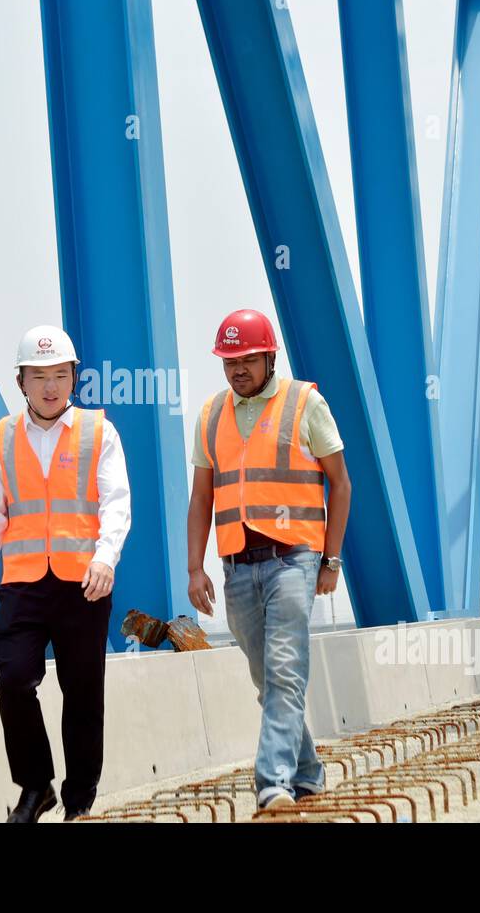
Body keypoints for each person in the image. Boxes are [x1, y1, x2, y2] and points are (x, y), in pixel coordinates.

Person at [186, 308, 351, 811]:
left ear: (269, 356)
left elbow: (340, 483)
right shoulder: (211, 415)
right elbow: (201, 498)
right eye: (229, 360)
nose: (238, 369)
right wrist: (196, 568)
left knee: (284, 671)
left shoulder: (305, 403)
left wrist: (331, 561)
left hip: (293, 561)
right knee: (267, 679)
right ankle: (308, 773)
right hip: (237, 565)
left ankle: (270, 783)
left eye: (247, 359)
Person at [0, 324, 131, 822]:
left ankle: (79, 799)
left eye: (60, 375)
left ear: (74, 377)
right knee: (13, 680)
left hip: (84, 582)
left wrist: (105, 558)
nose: (51, 386)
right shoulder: (0, 437)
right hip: (22, 584)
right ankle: (36, 786)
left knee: (83, 692)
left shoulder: (99, 433)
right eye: (39, 377)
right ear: (21, 382)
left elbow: (116, 503)